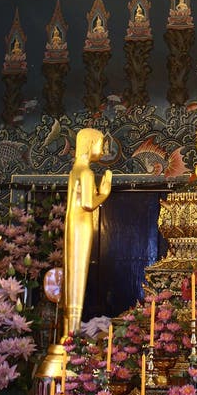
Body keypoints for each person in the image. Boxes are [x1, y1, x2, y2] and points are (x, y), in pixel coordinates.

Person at [63, 128, 112, 337]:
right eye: (101, 144)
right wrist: (105, 193)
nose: (103, 150)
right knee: (78, 273)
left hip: (73, 223)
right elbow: (88, 203)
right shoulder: (86, 172)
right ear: (90, 144)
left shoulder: (74, 171)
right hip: (81, 225)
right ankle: (72, 334)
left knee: (72, 274)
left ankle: (69, 330)